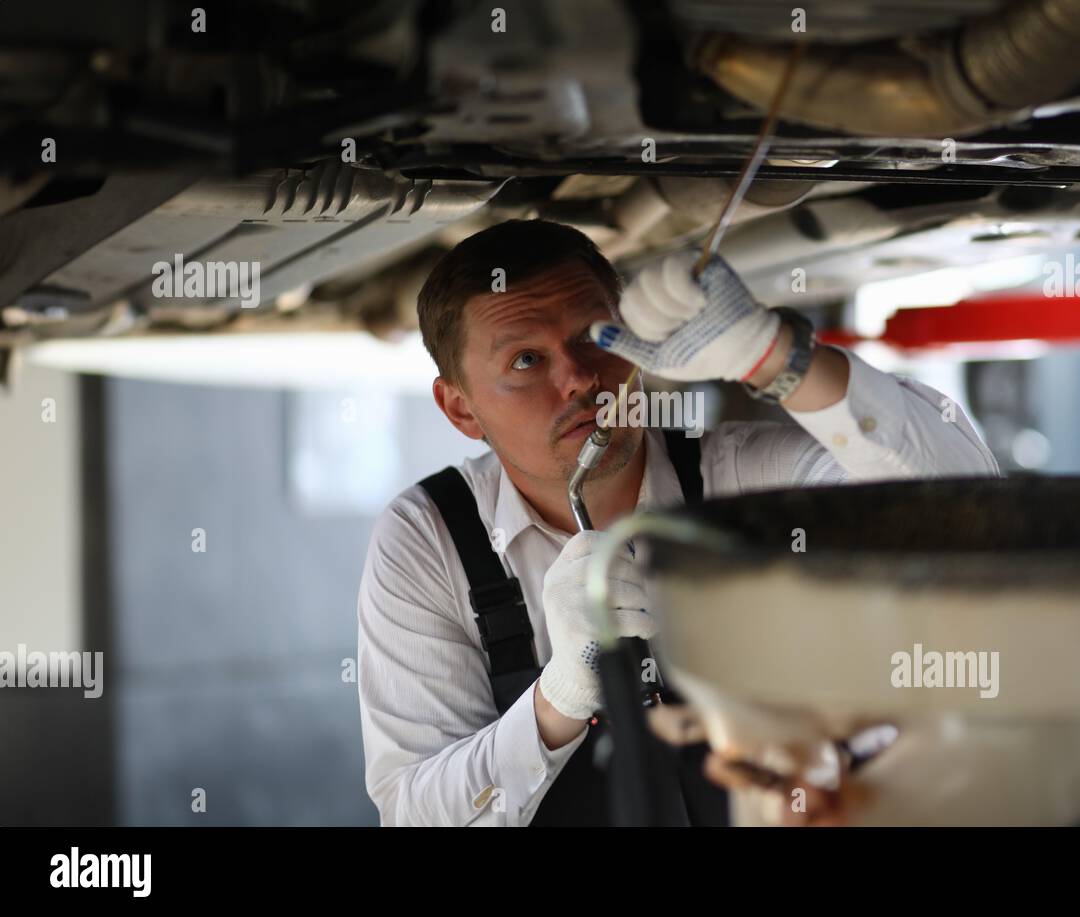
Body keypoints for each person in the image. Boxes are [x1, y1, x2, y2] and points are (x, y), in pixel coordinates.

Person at [356, 219, 999, 826]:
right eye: (526, 361)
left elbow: (971, 525)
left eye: (594, 338)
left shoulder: (743, 477)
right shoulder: (430, 541)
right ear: (461, 409)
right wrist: (557, 704)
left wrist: (776, 356)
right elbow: (413, 812)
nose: (580, 380)